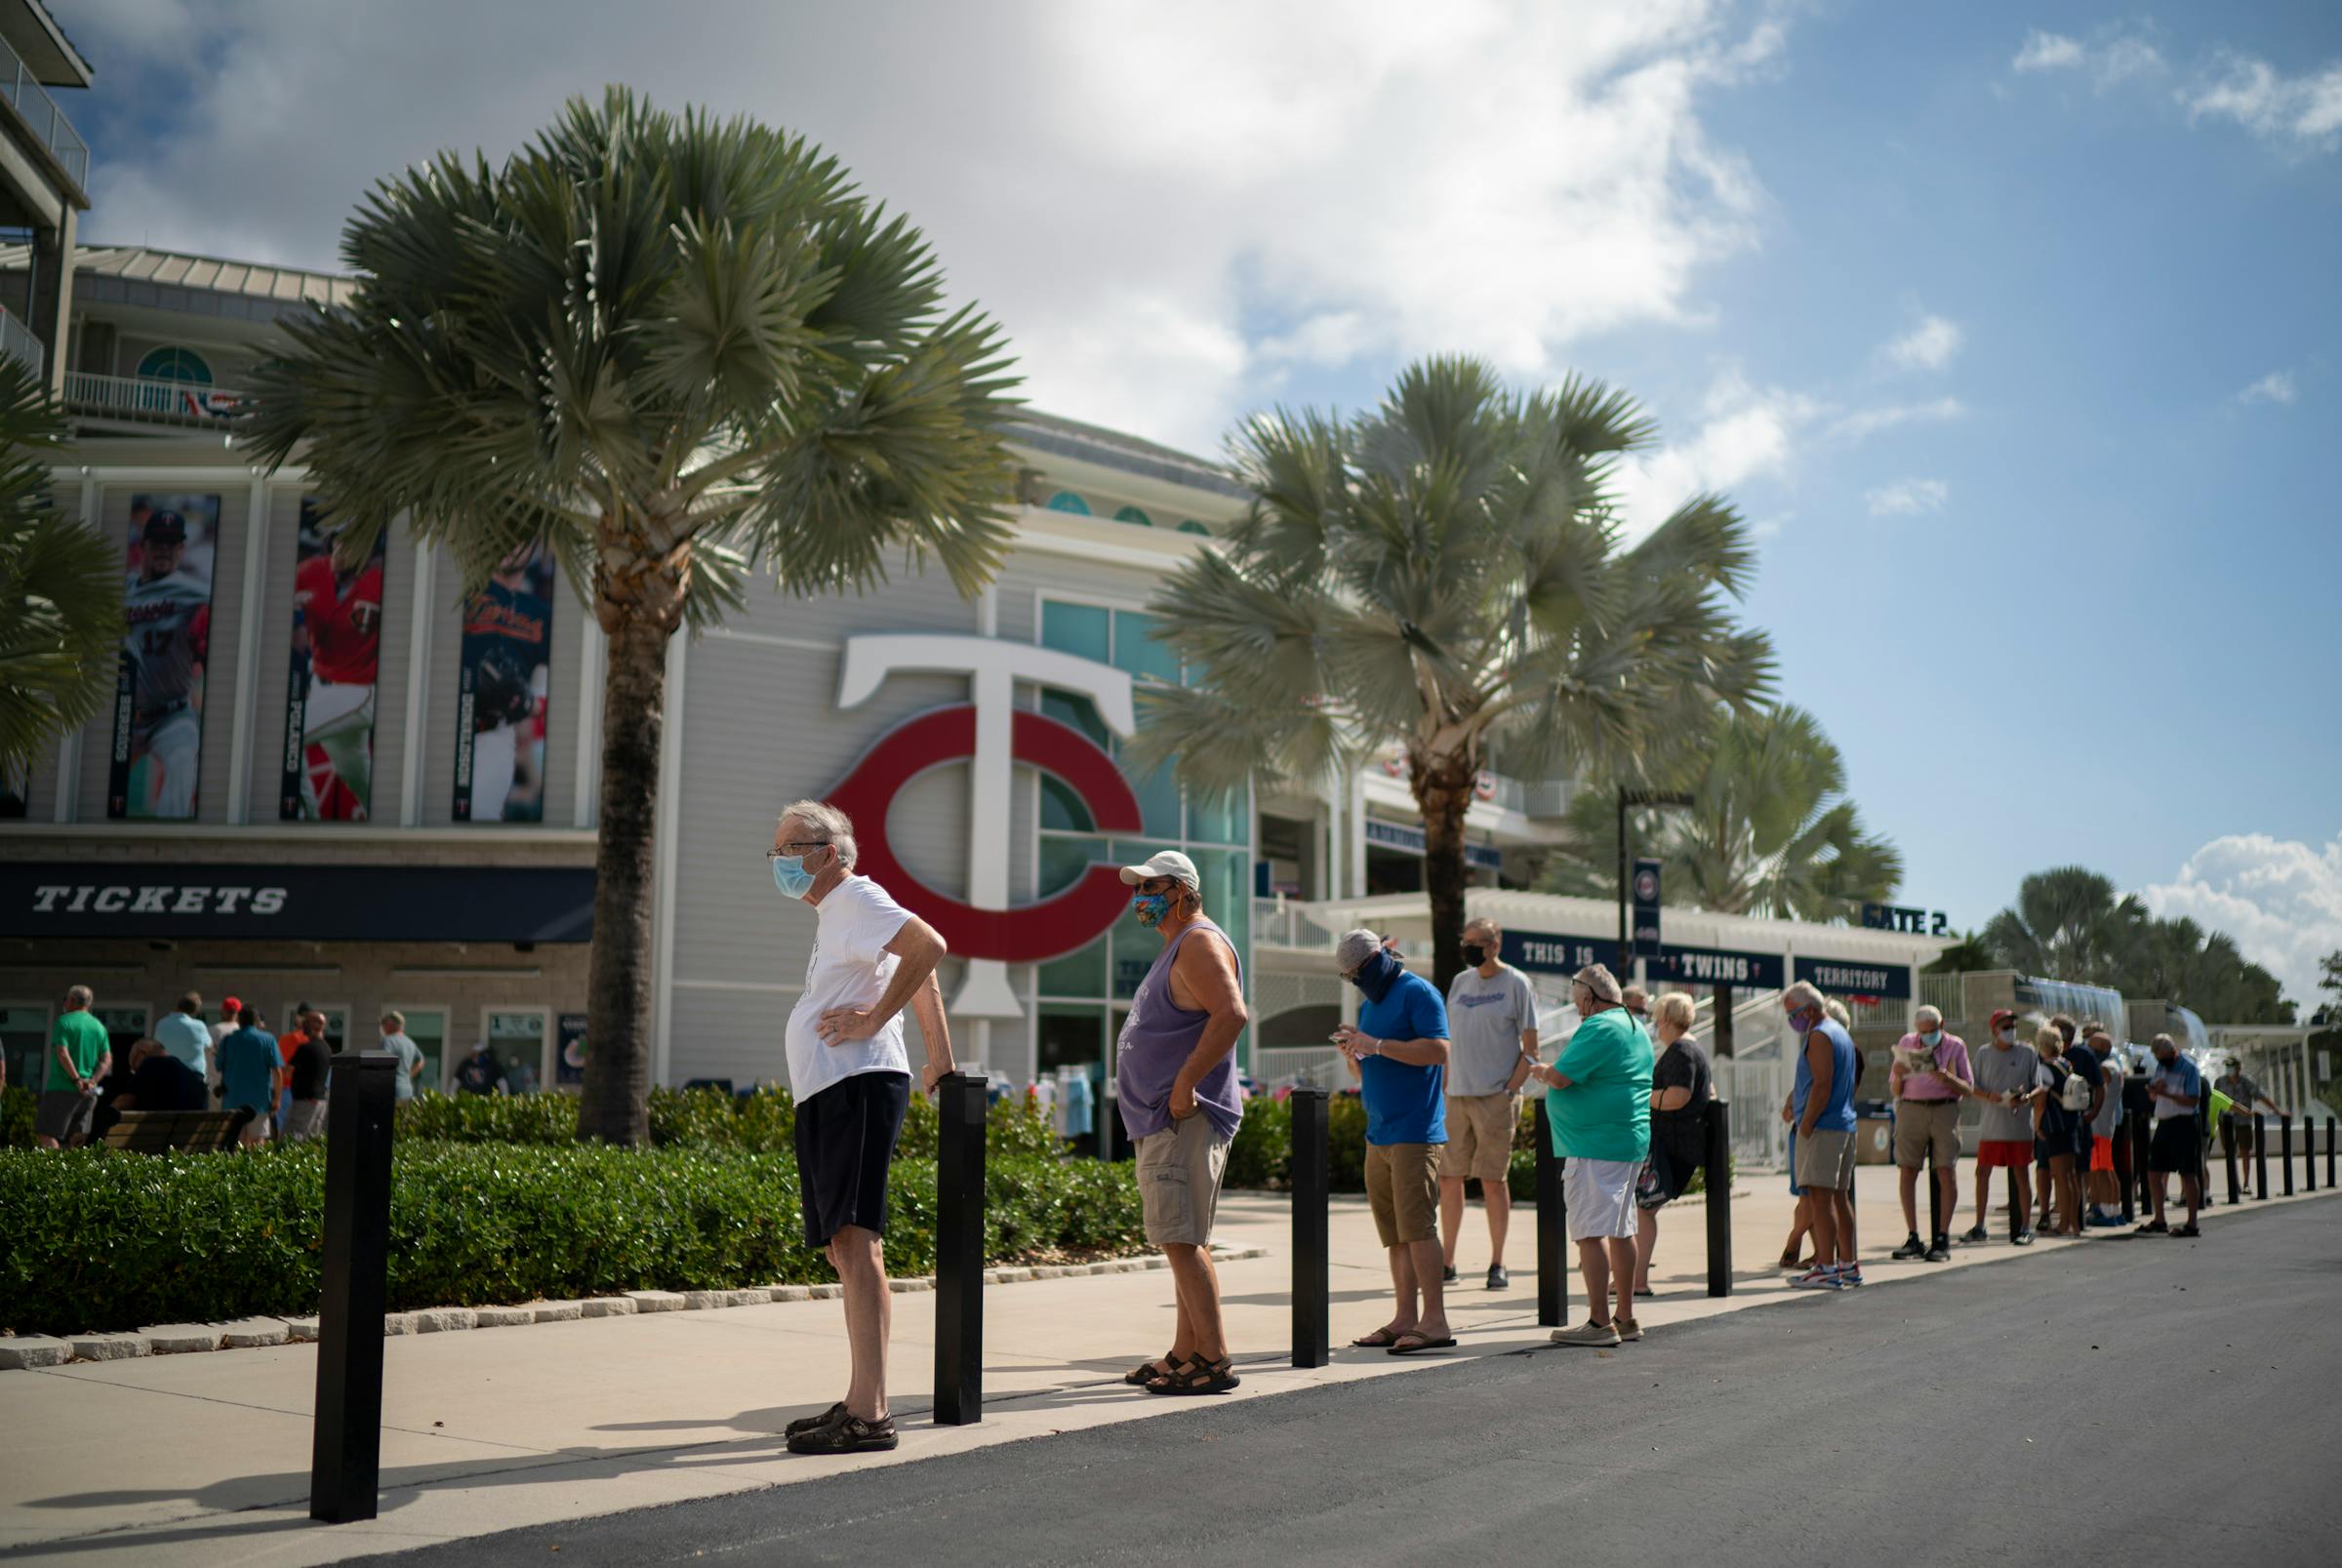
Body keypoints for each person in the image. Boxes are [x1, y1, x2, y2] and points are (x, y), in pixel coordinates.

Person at [769, 800, 954, 1456]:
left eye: (793, 847)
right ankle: (859, 1399)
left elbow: (929, 945)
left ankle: (871, 1413)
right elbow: (922, 971)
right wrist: (940, 1060)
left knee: (856, 1242)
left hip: (855, 1087)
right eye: (777, 850)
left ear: (831, 851)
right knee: (844, 1247)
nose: (781, 860)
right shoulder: (841, 914)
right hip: (836, 1089)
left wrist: (874, 1021)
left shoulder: (853, 897)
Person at [1113, 850, 1249, 1396]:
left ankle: (1213, 1361)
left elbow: (1232, 1013)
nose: (1140, 897)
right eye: (1138, 887)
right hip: (1163, 1119)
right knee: (1179, 1237)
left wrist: (1183, 1084)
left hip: (1181, 1118)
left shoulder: (1198, 941)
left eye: (1152, 886)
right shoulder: (1179, 945)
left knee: (1181, 1237)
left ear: (1184, 891)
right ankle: (1185, 1351)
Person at [1333, 927, 1454, 1357]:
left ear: (1381, 958)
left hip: (1415, 1132)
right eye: (1348, 976)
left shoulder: (1418, 993)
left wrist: (1378, 1044)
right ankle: (1405, 1317)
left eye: (1358, 971)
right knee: (1395, 1234)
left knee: (1418, 1227)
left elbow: (1439, 1050)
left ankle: (1434, 1320)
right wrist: (1356, 1054)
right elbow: (1369, 1072)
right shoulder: (1372, 1005)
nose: (1356, 980)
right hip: (1379, 1132)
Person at [1531, 963, 1653, 1342]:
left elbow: (1562, 1076)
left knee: (1588, 1232)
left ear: (1587, 998)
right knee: (1621, 1229)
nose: (1576, 1009)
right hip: (1625, 1142)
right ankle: (1626, 1318)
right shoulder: (1636, 1027)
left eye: (1576, 1002)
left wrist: (1541, 1070)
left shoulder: (1598, 1026)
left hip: (1593, 1145)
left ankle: (1600, 1323)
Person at [1438, 915, 1537, 1290]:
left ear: (1495, 944)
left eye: (1475, 942)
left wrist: (1508, 1093)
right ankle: (1447, 1262)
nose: (1468, 948)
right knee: (1449, 1178)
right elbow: (1449, 1039)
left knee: (1493, 1181)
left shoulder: (1517, 984)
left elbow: (1531, 1051)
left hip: (1495, 1098)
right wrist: (1446, 1085)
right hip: (1456, 1096)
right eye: (1465, 940)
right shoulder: (1460, 982)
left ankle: (1497, 1263)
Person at [121, 507, 211, 818]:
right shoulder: (121, 592)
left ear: (181, 549)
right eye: (158, 541)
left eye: (171, 543)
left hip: (172, 715)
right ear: (143, 545)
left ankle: (167, 850)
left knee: (183, 760)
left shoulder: (195, 591)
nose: (164, 549)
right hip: (123, 717)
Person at [1633, 990, 1711, 1299]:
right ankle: (1633, 1278)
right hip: (1678, 1144)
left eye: (1656, 1020)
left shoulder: (1680, 1051)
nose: (1655, 1027)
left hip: (1671, 1146)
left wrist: (1641, 1097)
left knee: (1643, 1209)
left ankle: (1637, 1280)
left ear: (1666, 1020)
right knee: (1642, 1209)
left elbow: (1679, 1095)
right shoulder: (1693, 1048)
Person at [1781, 982, 1859, 1290]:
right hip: (1842, 1125)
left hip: (1824, 1128)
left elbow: (1822, 1084)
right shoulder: (1841, 1033)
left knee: (1820, 1200)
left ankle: (1826, 1267)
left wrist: (1807, 1123)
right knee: (1839, 1198)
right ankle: (1847, 1265)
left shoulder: (1820, 1035)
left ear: (1810, 1009)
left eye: (1793, 1013)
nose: (1792, 1020)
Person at [1887, 1005, 1971, 1264]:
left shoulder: (1956, 1046)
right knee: (1908, 1169)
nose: (1927, 1036)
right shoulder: (1906, 1043)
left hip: (1944, 1108)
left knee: (1946, 1170)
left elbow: (1968, 1088)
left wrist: (1948, 1078)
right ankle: (1913, 1235)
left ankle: (1942, 1236)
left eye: (1932, 1031)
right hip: (1911, 1109)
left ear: (1941, 1025)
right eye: (1923, 1032)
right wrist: (1899, 1076)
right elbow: (1895, 1090)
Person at [1963, 1008, 2039, 1244]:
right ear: (1994, 1029)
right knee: (1983, 1172)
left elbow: (2039, 1085)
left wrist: (2026, 1097)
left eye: (2012, 1027)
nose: (2010, 1031)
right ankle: (1979, 1225)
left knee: (2021, 1173)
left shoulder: (2027, 1053)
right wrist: (1989, 1096)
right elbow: (1971, 1086)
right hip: (1991, 1126)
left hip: (2018, 1127)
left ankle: (2026, 1227)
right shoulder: (1984, 1053)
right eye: (2005, 1027)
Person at [2140, 1033, 2202, 1237]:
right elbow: (2153, 1095)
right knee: (2154, 1173)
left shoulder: (2189, 1069)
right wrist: (2154, 1090)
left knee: (2188, 1173)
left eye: (2164, 1057)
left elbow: (2193, 1100)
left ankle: (2192, 1223)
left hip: (2184, 1124)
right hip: (2164, 1122)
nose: (2161, 1062)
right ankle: (2159, 1219)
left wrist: (2165, 1094)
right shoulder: (2161, 1067)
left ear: (2173, 1051)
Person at [37, 985, 111, 1149]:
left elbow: (62, 1053)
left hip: (62, 1088)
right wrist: (92, 1081)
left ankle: (52, 1173)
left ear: (71, 1000)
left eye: (66, 999)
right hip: (88, 1093)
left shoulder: (64, 1022)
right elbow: (106, 1060)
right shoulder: (98, 1027)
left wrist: (76, 1079)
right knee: (76, 1140)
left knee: (47, 1134)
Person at [2033, 1025, 2086, 1237]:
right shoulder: (2066, 1063)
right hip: (2072, 1123)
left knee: (2061, 1177)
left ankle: (2064, 1224)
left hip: (2055, 1126)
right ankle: (2074, 1222)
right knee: (2071, 1176)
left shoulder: (2045, 1068)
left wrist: (2037, 1126)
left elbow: (2041, 1102)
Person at [218, 1004, 279, 1146]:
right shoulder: (267, 1039)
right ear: (256, 1020)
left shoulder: (227, 1040)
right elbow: (277, 1071)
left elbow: (219, 1066)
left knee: (235, 1141)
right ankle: (255, 1168)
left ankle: (236, 1168)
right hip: (260, 1100)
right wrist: (277, 1098)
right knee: (258, 1141)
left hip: (232, 1099)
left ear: (238, 1020)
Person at [2083, 1030, 2126, 1225]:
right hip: (2104, 1126)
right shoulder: (2115, 1065)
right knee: (2107, 1169)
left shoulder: (2106, 1067)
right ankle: (2113, 1209)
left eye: (2091, 1047)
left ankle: (2106, 1210)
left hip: (2099, 1127)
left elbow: (2097, 1080)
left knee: (2100, 1170)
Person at [2213, 1059, 2281, 1171]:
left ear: (2239, 1067)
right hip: (2226, 1122)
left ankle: (2246, 1183)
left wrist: (2277, 1111)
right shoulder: (2220, 1082)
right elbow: (2215, 1100)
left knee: (2245, 1151)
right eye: (2227, 1066)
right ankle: (2234, 1184)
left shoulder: (2246, 1081)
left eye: (2231, 1066)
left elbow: (2261, 1096)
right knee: (2230, 1152)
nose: (2229, 1068)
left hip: (2243, 1121)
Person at [114, 1037, 207, 1112]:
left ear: (142, 1055)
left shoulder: (152, 1062)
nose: (136, 1075)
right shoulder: (187, 1073)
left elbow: (125, 1102)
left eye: (135, 1070)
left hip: (158, 1132)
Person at [284, 1013, 333, 1142]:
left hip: (304, 1101)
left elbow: (288, 1071)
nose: (302, 1027)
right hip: (320, 1100)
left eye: (305, 1023)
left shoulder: (305, 1048)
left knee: (292, 1139)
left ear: (312, 1026)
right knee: (311, 1140)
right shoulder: (327, 1049)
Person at [153, 991, 212, 1080]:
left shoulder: (161, 1023)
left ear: (178, 1006)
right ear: (195, 1010)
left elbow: (156, 1048)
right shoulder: (199, 1026)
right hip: (193, 1077)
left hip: (167, 1075)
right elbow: (209, 1047)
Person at [379, 1012, 426, 1102]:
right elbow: (421, 1061)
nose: (382, 1028)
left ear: (390, 1024)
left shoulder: (388, 1041)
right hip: (407, 1091)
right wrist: (408, 1075)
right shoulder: (410, 1043)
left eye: (383, 1024)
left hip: (391, 1090)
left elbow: (382, 1063)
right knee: (403, 1115)